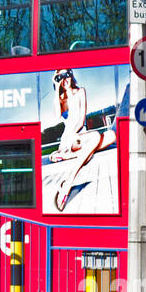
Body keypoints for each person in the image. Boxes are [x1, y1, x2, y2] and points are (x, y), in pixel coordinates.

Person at [45, 69, 115, 212]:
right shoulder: (62, 98)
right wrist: (57, 85)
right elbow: (57, 115)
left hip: (81, 135)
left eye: (67, 75)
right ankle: (68, 182)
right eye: (61, 77)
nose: (65, 79)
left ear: (71, 76)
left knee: (112, 136)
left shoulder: (80, 92)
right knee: (95, 137)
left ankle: (63, 156)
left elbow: (81, 120)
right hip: (69, 138)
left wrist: (75, 135)